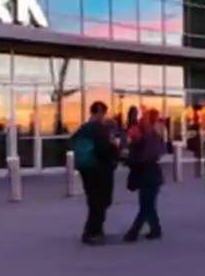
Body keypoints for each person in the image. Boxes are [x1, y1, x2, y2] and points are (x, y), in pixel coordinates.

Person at [70, 101, 119, 245]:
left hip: (86, 168)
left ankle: (91, 230)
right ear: (99, 113)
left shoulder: (83, 128)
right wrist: (115, 154)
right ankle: (94, 231)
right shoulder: (100, 129)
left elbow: (72, 142)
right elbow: (106, 149)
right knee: (101, 200)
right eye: (103, 113)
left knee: (93, 199)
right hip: (100, 169)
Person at [123, 108, 165, 243]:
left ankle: (134, 232)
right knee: (149, 203)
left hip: (146, 173)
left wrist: (128, 157)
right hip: (152, 173)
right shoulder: (154, 135)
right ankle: (154, 229)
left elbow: (139, 156)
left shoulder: (145, 136)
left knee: (146, 204)